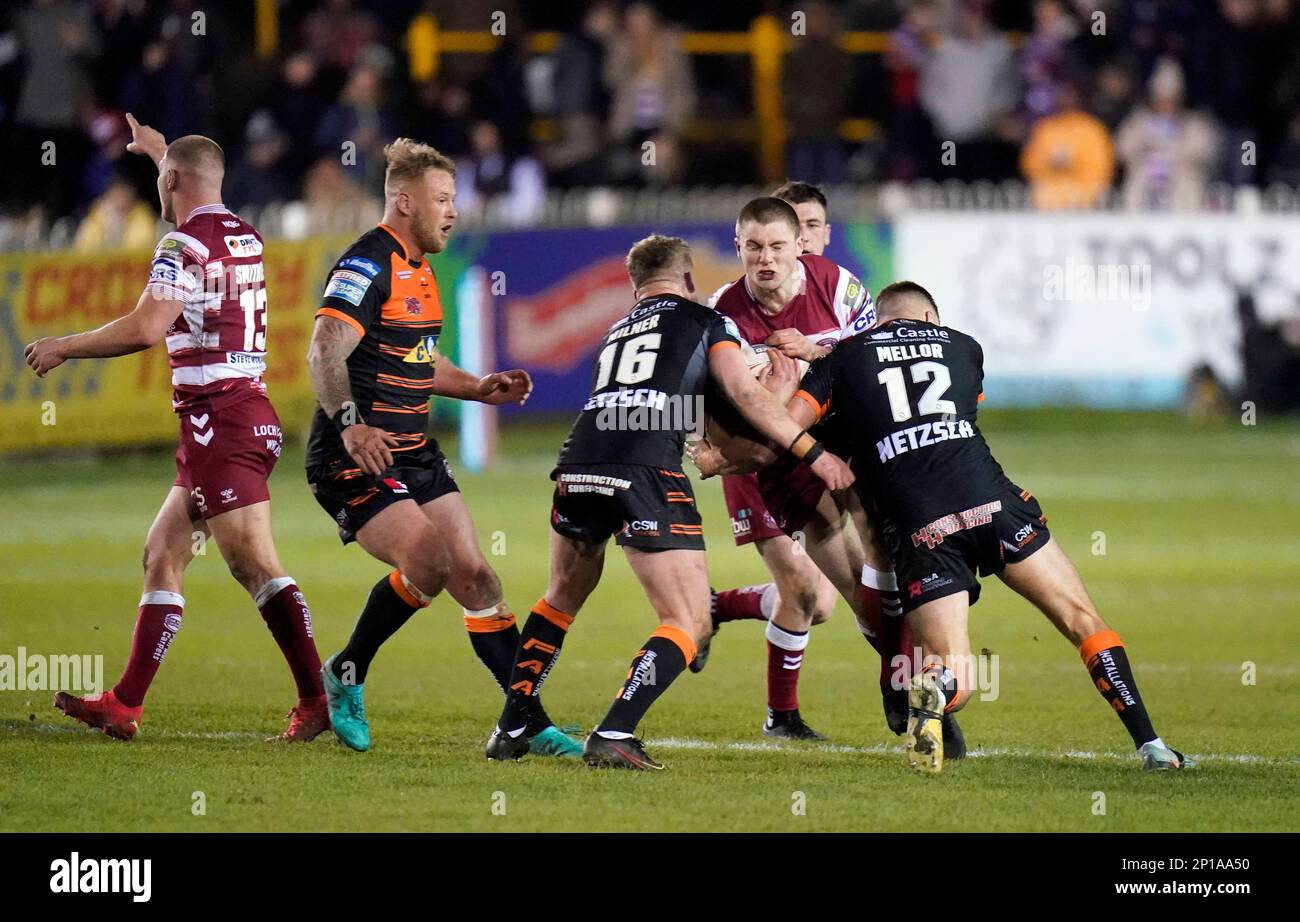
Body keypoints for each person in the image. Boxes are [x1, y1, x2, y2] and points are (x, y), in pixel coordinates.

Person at [745, 280, 1194, 774]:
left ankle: (935, 686)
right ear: (932, 319)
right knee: (1082, 620)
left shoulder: (843, 362)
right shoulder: (964, 345)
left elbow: (785, 427)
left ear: (877, 322)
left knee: (954, 667)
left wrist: (785, 404)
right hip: (993, 503)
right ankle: (1152, 747)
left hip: (921, 525)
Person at [484, 234, 854, 770]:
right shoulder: (706, 320)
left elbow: (644, 401)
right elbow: (745, 396)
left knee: (561, 595)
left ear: (636, 288)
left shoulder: (615, 331)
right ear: (687, 281)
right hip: (643, 472)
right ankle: (614, 731)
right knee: (688, 620)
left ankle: (512, 724)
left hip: (579, 461)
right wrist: (811, 451)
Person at [25, 115, 329, 742]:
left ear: (172, 183)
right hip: (231, 420)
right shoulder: (242, 232)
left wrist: (65, 346)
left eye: (162, 182)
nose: (156, 195)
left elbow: (144, 327)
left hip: (224, 420)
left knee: (252, 562)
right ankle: (125, 703)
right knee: (162, 551)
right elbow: (197, 184)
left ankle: (319, 699)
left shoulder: (181, 247)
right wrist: (162, 154)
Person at [304, 138, 580, 757]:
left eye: (454, 199)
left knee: (479, 578)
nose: (453, 211)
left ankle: (526, 725)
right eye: (443, 199)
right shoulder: (368, 263)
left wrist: (480, 388)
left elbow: (421, 363)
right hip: (354, 454)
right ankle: (346, 673)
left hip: (412, 450)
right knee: (429, 560)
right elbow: (324, 349)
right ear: (405, 201)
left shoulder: (422, 271)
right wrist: (350, 422)